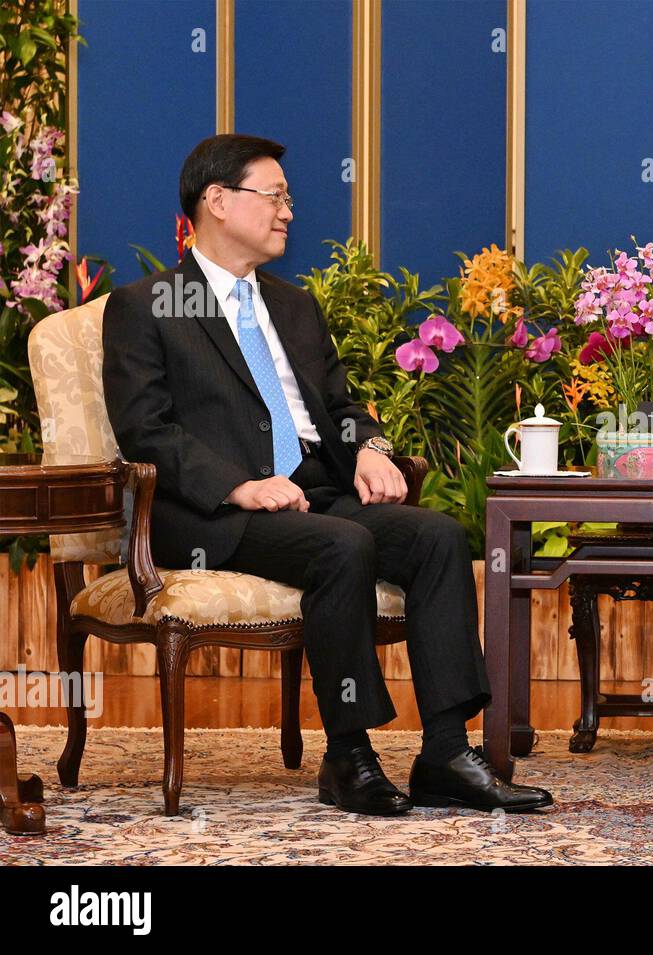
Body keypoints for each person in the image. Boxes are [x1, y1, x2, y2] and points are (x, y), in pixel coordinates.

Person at [102, 133, 552, 817]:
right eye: (274, 196)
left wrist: (369, 445)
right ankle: (348, 754)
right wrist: (237, 484)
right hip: (216, 514)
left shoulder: (293, 305)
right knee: (343, 545)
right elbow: (146, 429)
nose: (289, 211)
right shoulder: (147, 305)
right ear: (216, 202)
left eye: (288, 198)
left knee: (436, 537)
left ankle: (445, 754)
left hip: (313, 492)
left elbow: (338, 406)